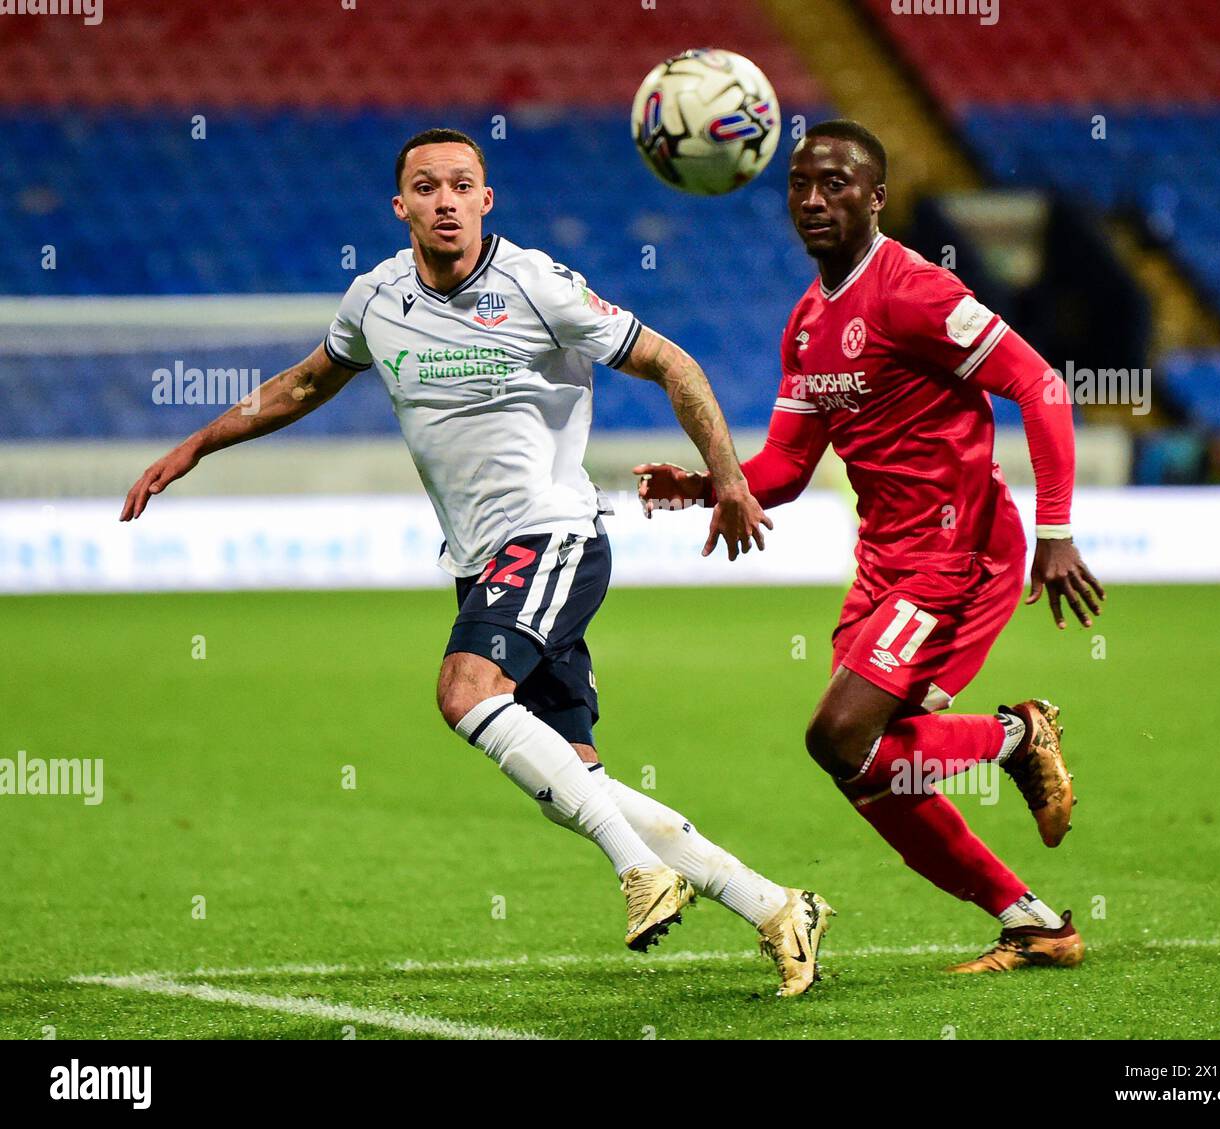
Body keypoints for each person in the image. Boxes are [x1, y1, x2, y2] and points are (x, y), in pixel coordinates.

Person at [120, 127, 833, 996]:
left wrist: (727, 476)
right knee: (573, 779)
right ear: (401, 206)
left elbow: (670, 361)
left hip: (557, 535)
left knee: (464, 691)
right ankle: (774, 906)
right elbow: (305, 384)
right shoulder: (375, 297)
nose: (446, 199)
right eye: (427, 187)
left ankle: (642, 873)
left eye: (462, 184)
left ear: (486, 199)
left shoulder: (537, 285)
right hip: (481, 558)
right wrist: (196, 443)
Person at [634, 119, 1105, 973]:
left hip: (958, 547)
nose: (814, 200)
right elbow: (783, 465)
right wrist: (715, 485)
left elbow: (1039, 383)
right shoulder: (809, 322)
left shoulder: (914, 291)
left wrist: (1058, 532)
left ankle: (1015, 736)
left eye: (837, 184)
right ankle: (1031, 919)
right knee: (866, 764)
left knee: (838, 735)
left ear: (877, 197)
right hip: (887, 558)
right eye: (801, 185)